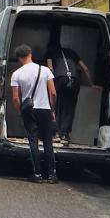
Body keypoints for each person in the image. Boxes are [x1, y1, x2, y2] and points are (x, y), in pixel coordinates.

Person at [10, 43, 57, 183]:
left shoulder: (16, 74)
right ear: (30, 54)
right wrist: (52, 110)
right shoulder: (45, 70)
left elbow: (15, 98)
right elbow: (53, 93)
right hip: (45, 109)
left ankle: (37, 175)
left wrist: (20, 111)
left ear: (19, 58)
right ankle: (52, 175)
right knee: (48, 141)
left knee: (33, 141)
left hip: (29, 110)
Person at [47, 34, 92, 146]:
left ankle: (56, 133)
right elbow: (85, 68)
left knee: (57, 106)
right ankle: (64, 135)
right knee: (69, 108)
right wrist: (91, 84)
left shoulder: (50, 53)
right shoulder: (71, 52)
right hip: (74, 81)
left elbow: (50, 68)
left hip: (59, 79)